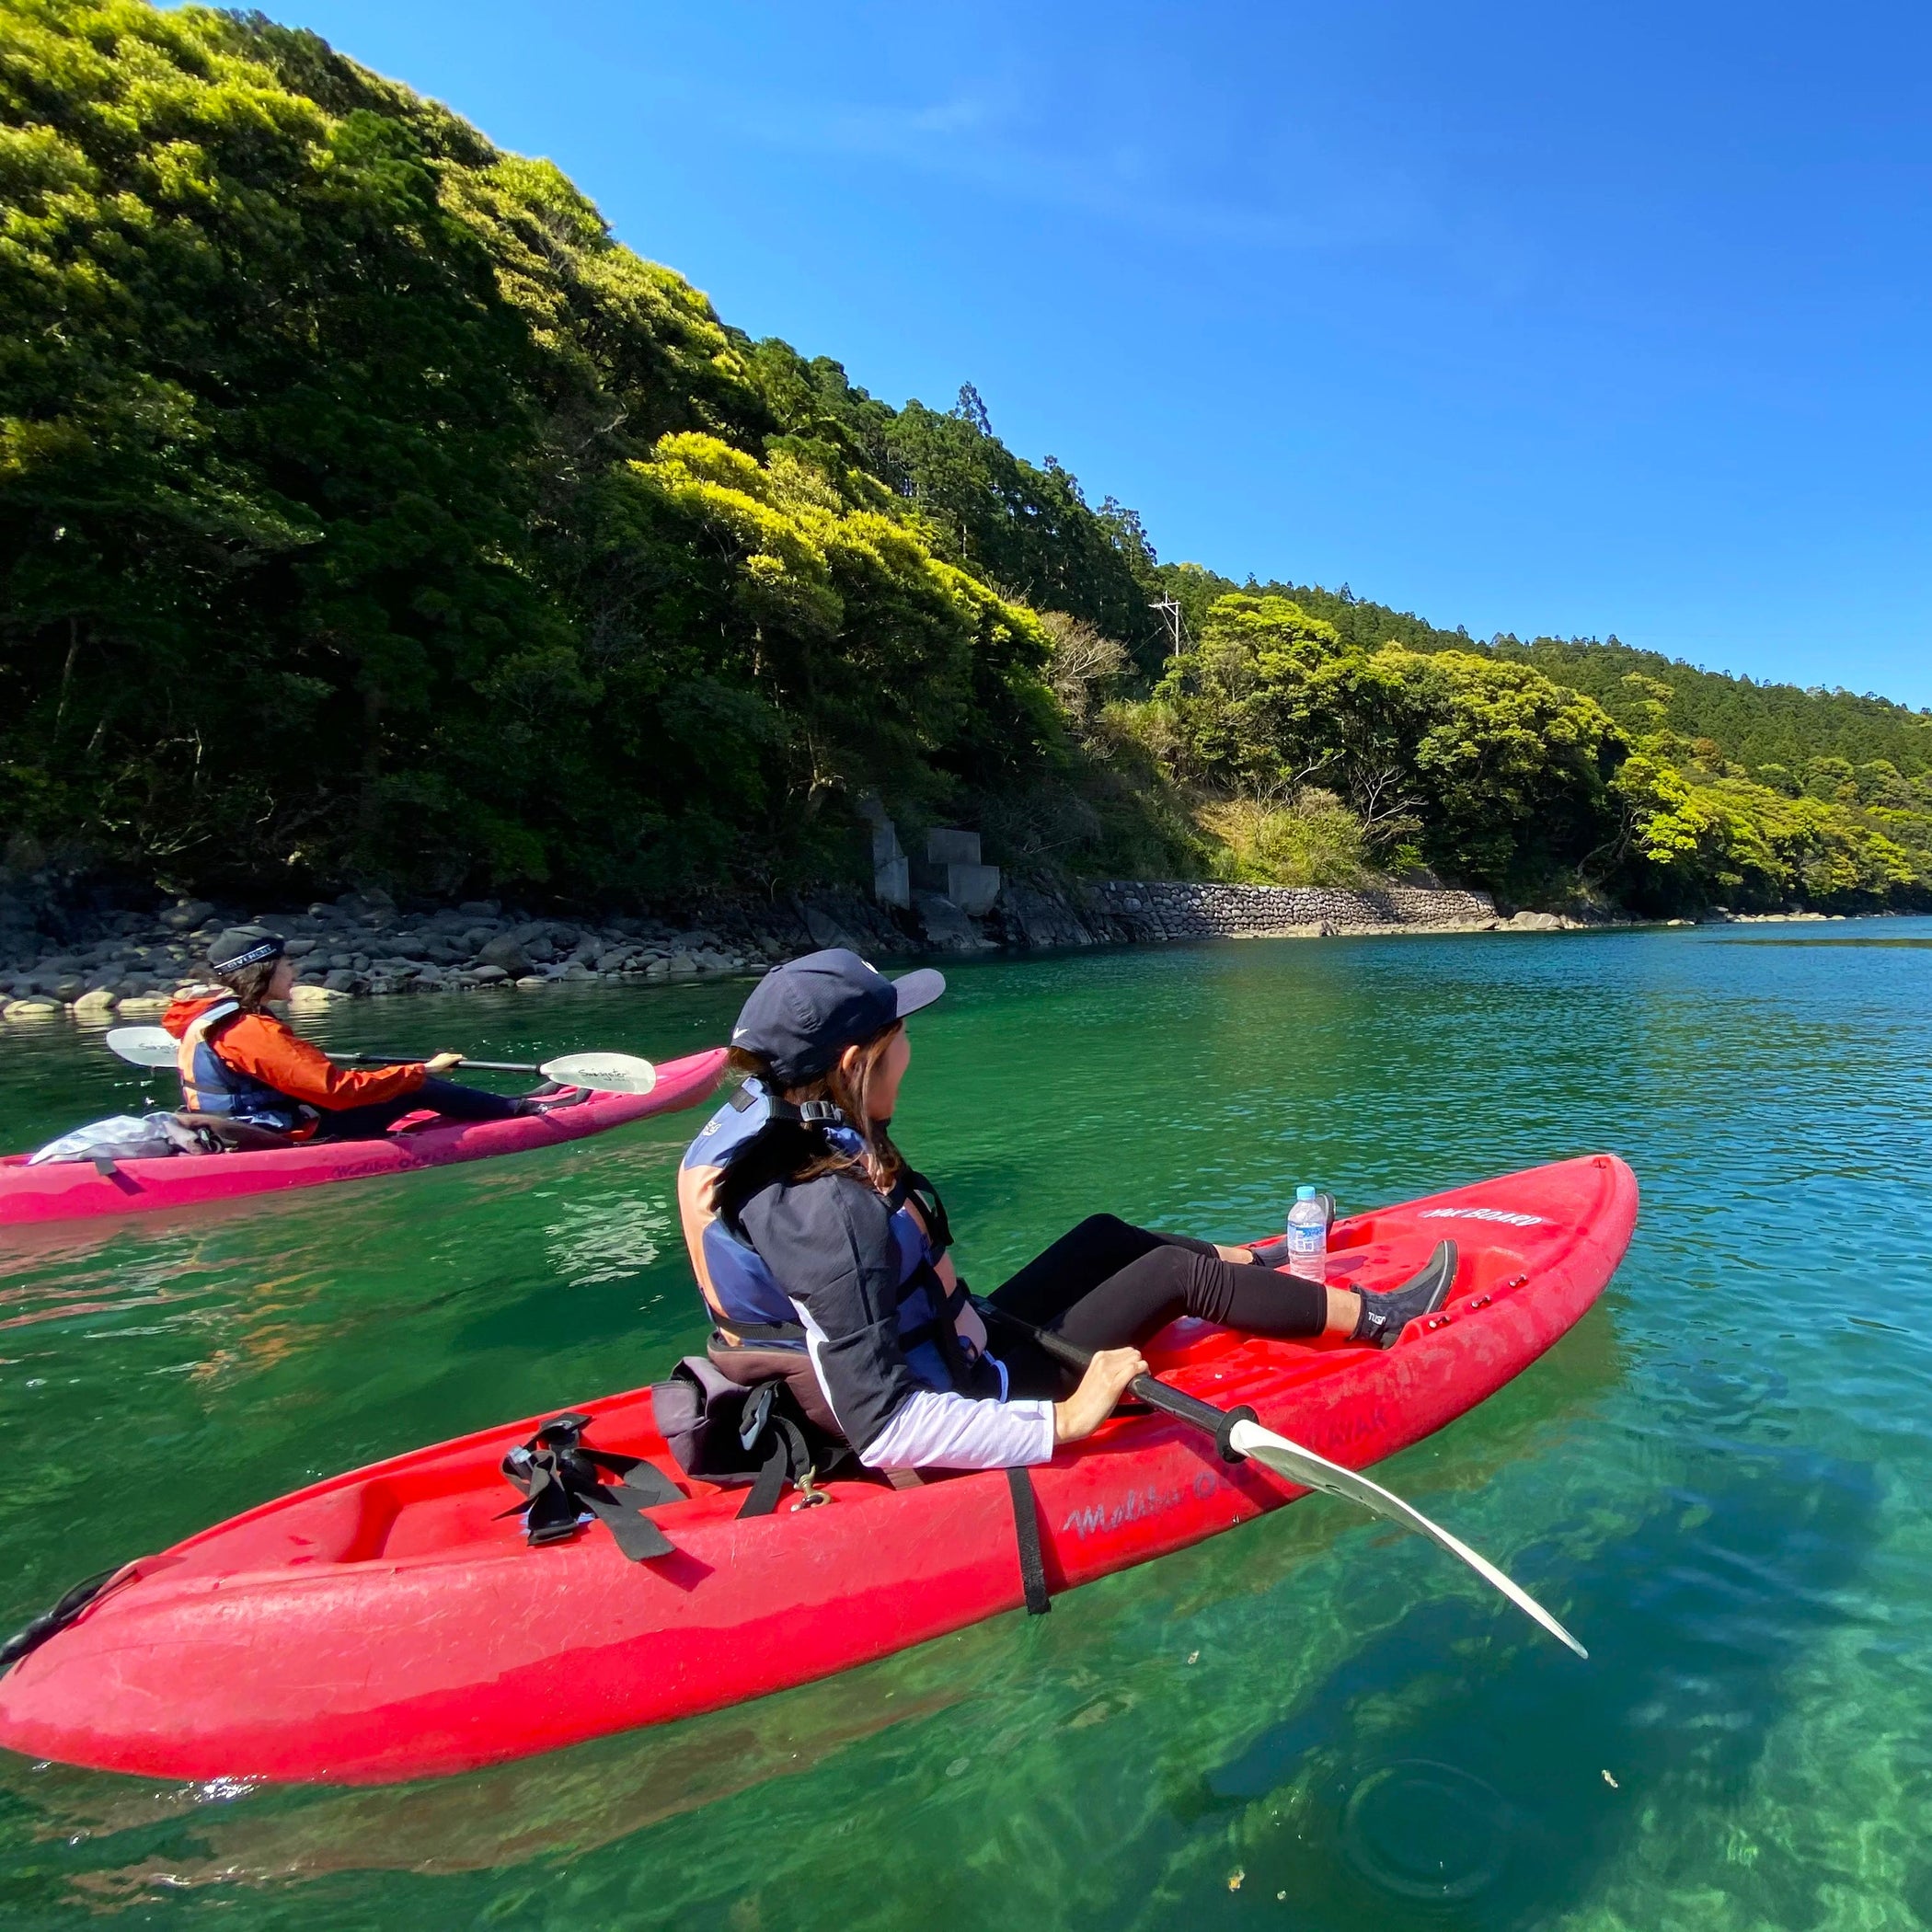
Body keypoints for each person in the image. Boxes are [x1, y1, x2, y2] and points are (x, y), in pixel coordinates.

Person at [677, 949, 1457, 1475]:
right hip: (984, 1388)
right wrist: (1073, 1417)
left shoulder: (798, 1133)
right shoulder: (825, 1212)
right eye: (902, 1033)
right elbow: (886, 1428)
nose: (914, 1049)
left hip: (970, 1340)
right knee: (1171, 1273)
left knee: (1103, 1237)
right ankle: (1383, 1319)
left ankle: (1259, 1266)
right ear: (854, 1063)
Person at [163, 926, 573, 1142]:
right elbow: (336, 1090)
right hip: (271, 1133)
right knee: (415, 1088)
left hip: (239, 1124)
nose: (294, 972)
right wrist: (422, 1070)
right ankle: (521, 1111)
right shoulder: (248, 1029)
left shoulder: (208, 1016)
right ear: (263, 970)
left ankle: (511, 1102)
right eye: (287, 964)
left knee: (405, 1082)